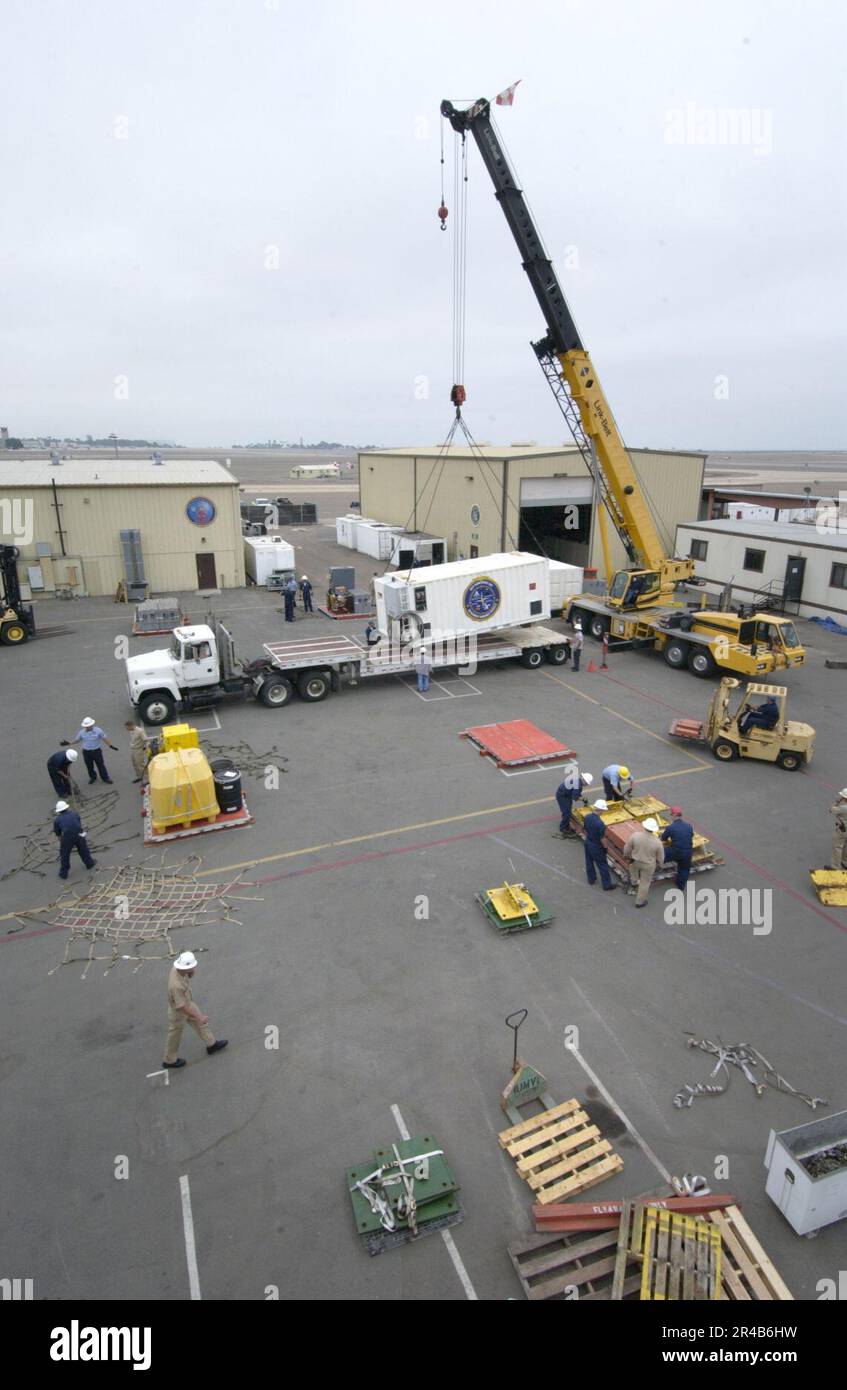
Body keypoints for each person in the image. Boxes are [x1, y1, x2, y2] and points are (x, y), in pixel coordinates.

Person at [163, 951, 228, 1070]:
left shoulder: (177, 969)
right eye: (192, 967)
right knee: (175, 1035)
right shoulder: (176, 985)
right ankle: (169, 1060)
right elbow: (181, 1006)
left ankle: (211, 1044)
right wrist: (199, 1017)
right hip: (179, 1011)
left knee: (201, 1023)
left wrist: (190, 972)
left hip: (187, 1003)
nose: (194, 968)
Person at [63, 717, 118, 784]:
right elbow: (77, 740)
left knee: (100, 765)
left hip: (96, 751)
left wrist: (110, 745)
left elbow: (104, 738)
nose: (86, 727)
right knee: (89, 766)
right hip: (86, 752)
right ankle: (92, 777)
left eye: (87, 726)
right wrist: (69, 743)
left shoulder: (98, 731)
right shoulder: (81, 733)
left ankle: (105, 778)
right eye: (85, 726)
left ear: (91, 725)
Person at [624, 817, 664, 907]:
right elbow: (660, 857)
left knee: (634, 874)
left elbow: (627, 848)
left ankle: (633, 883)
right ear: (654, 829)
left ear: (644, 826)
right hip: (648, 865)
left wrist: (626, 855)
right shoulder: (657, 842)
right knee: (645, 883)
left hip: (634, 861)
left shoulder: (635, 835)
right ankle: (639, 902)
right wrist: (660, 865)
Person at [53, 800, 97, 880]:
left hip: (67, 837)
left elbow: (57, 832)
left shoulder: (57, 820)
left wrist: (60, 838)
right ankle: (89, 863)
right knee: (83, 850)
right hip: (79, 834)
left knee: (65, 854)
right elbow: (78, 824)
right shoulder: (75, 813)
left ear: (59, 811)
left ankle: (63, 873)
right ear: (67, 807)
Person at [582, 800, 617, 891]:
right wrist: (605, 848)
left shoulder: (587, 817)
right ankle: (606, 885)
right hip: (596, 846)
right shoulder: (600, 823)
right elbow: (603, 839)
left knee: (589, 861)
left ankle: (591, 879)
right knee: (602, 865)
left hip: (588, 842)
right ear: (600, 809)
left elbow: (585, 828)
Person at [553, 767, 593, 838]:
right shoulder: (578, 785)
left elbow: (576, 793)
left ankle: (566, 823)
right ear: (583, 780)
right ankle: (563, 828)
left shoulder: (578, 781)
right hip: (562, 796)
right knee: (567, 813)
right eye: (587, 783)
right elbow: (575, 797)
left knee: (567, 810)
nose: (586, 785)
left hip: (566, 794)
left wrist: (581, 797)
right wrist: (583, 799)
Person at [660, 806, 695, 889]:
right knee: (684, 869)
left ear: (674, 815)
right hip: (688, 851)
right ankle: (681, 886)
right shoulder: (688, 825)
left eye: (671, 815)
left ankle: (651, 866)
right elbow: (691, 835)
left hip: (676, 851)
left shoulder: (671, 827)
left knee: (660, 855)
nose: (671, 817)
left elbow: (663, 838)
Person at [830, 789, 847, 870]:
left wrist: (837, 801)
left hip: (842, 829)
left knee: (837, 846)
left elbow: (831, 809)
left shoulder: (843, 808)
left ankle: (835, 867)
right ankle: (845, 862)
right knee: (845, 846)